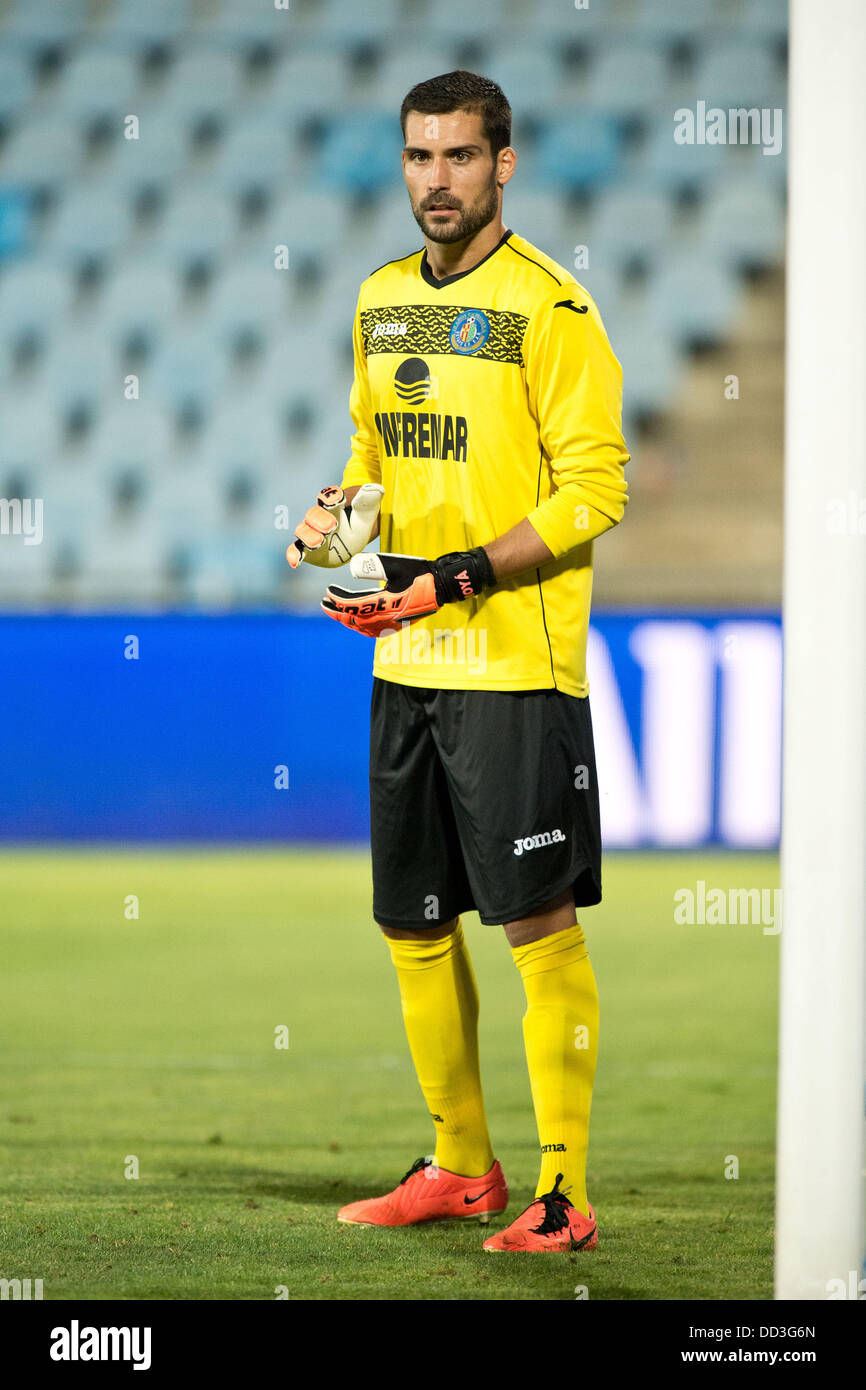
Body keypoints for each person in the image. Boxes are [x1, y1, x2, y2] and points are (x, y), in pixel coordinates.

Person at [288, 70, 629, 1253]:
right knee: (412, 922)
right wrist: (339, 522)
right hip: (405, 664)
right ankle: (461, 1164)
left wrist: (460, 575)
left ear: (504, 164)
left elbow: (595, 490)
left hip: (513, 668)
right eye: (418, 157)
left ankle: (563, 1192)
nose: (437, 180)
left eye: (459, 157)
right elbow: (372, 455)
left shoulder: (553, 310)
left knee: (531, 924)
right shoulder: (380, 301)